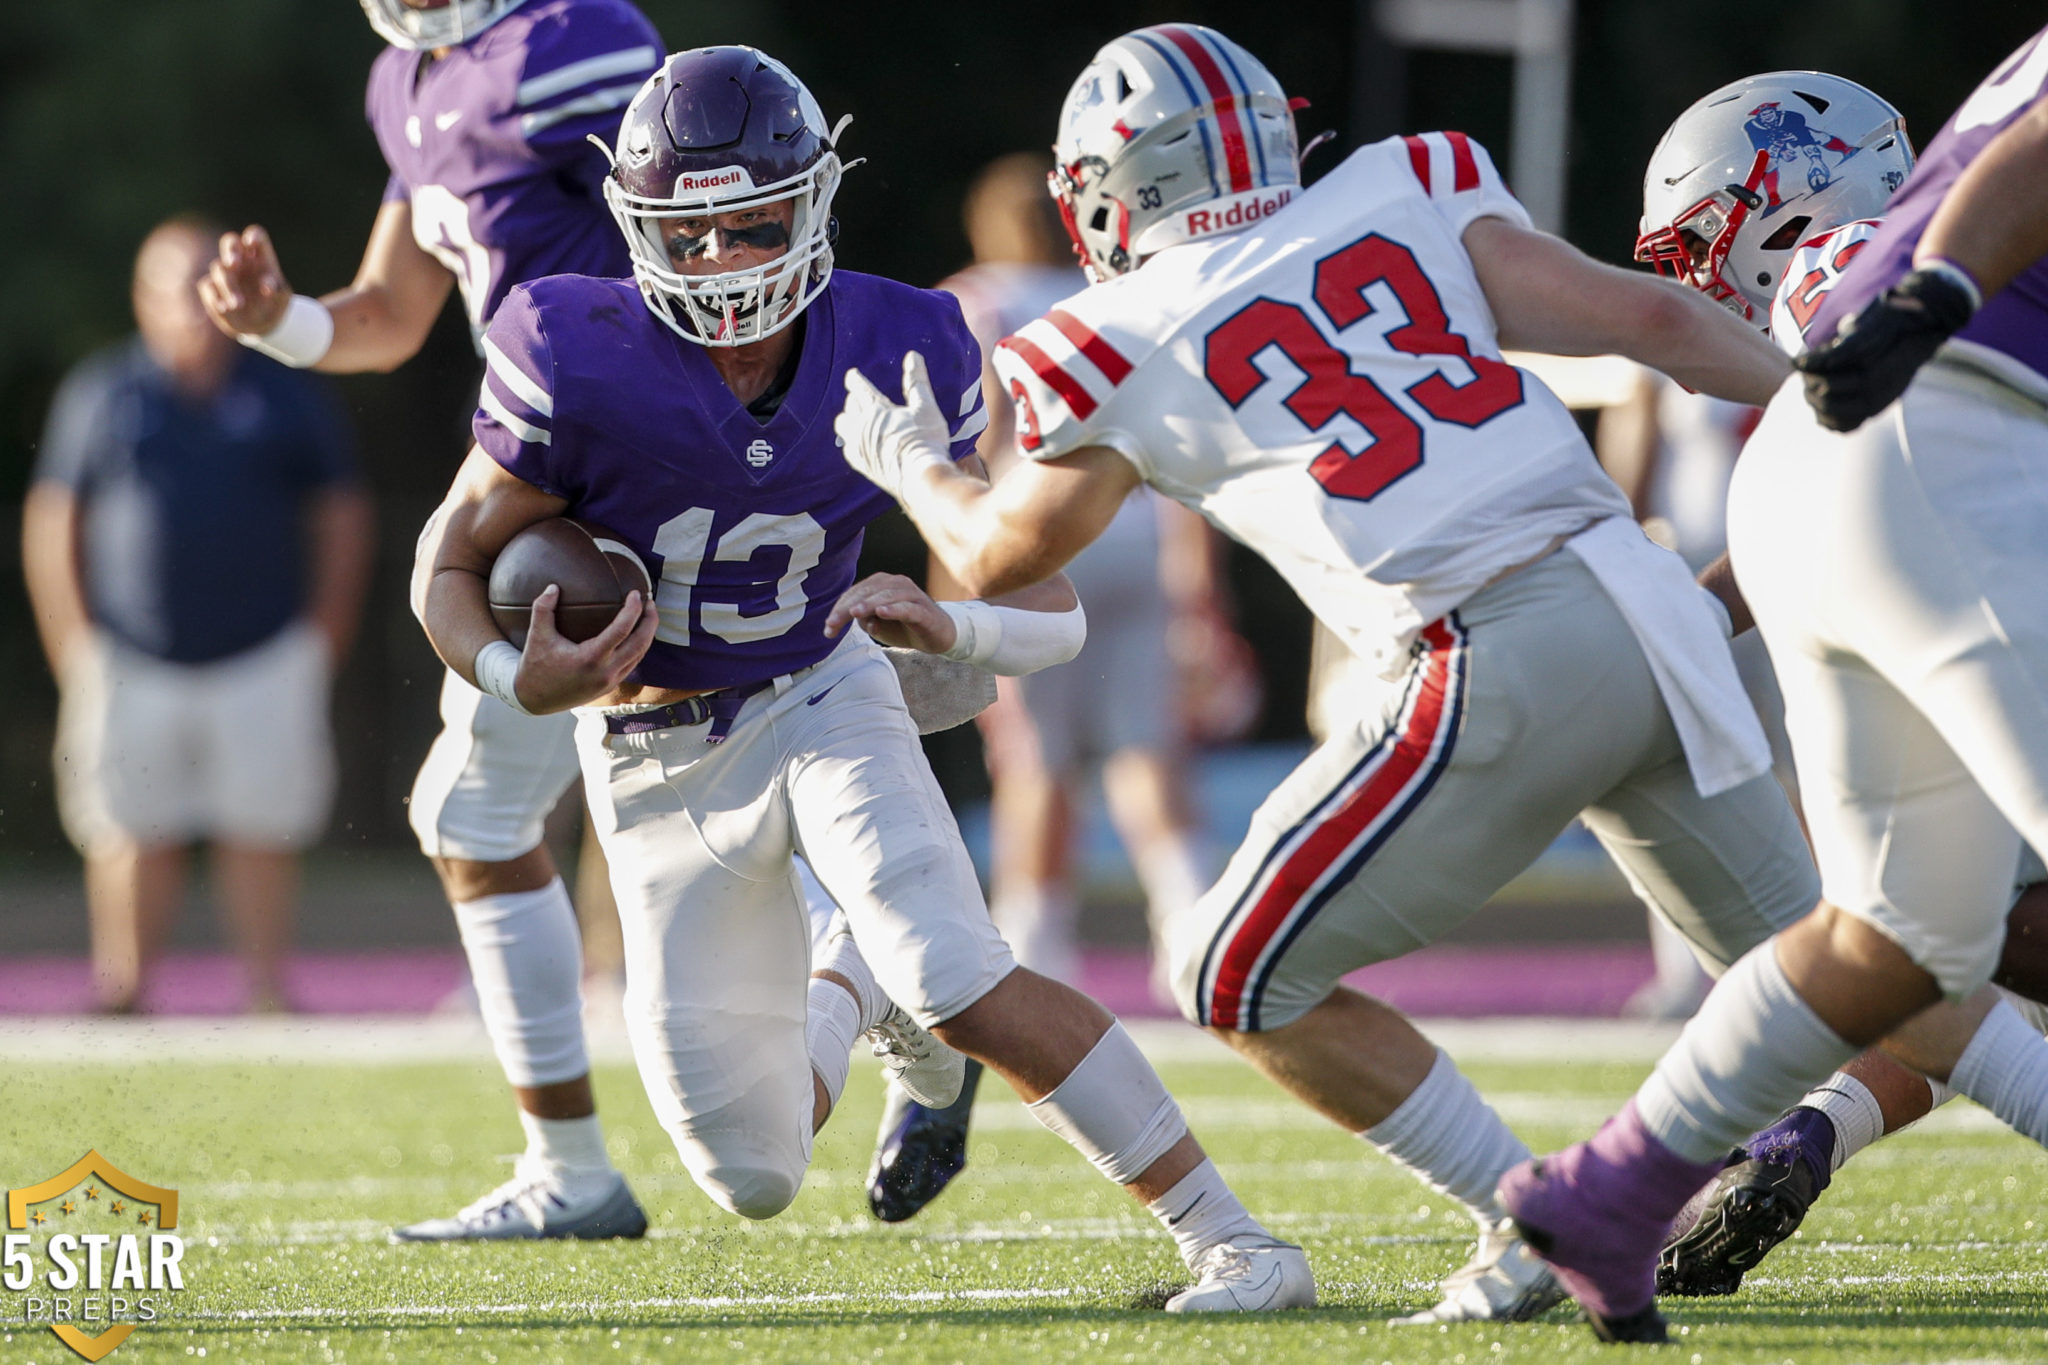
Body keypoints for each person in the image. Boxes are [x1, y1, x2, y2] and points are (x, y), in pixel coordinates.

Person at [835, 21, 1818, 1329]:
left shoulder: (1124, 323)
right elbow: (1646, 318)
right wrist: (1844, 422)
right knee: (1860, 967)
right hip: (1647, 607)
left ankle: (1532, 1217)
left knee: (1234, 975)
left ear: (1121, 187)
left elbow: (998, 551)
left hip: (1490, 639)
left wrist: (912, 464)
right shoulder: (1401, 190)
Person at [415, 45, 1317, 1313]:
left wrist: (951, 630)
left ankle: (1231, 1238)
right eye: (693, 231)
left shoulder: (907, 341)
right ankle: (857, 981)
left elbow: (1044, 611)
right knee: (754, 1173)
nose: (725, 260)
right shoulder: (571, 343)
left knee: (956, 969)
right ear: (637, 224)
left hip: (823, 694)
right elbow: (442, 568)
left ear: (811, 202)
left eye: (752, 224)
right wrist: (520, 673)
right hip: (651, 760)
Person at [1499, 29, 2048, 1340]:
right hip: (1949, 420)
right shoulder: (1941, 243)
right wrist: (1942, 295)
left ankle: (1615, 1187)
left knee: (1904, 937)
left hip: (1829, 471)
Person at [199, 0, 665, 1239]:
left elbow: (716, 231)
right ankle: (570, 1170)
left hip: (635, 459)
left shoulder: (577, 40)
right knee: (479, 812)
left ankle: (895, 997)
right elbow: (391, 314)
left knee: (723, 799)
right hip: (544, 463)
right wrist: (279, 325)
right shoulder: (402, 82)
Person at [865, 151, 1250, 1223]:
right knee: (1146, 756)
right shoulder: (1111, 295)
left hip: (1034, 543)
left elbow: (964, 444)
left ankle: (1038, 955)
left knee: (1035, 762)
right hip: (1128, 526)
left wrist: (954, 588)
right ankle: (1196, 945)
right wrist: (1194, 591)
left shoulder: (971, 303)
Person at [23, 215, 372, 1013]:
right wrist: (76, 647)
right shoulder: (102, 389)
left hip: (264, 652)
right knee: (127, 828)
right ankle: (124, 989)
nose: (188, 301)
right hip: (130, 656)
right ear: (141, 299)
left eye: (199, 281)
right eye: (169, 284)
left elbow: (342, 516)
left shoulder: (285, 389)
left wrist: (321, 635)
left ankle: (265, 993)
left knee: (262, 827)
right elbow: (53, 524)